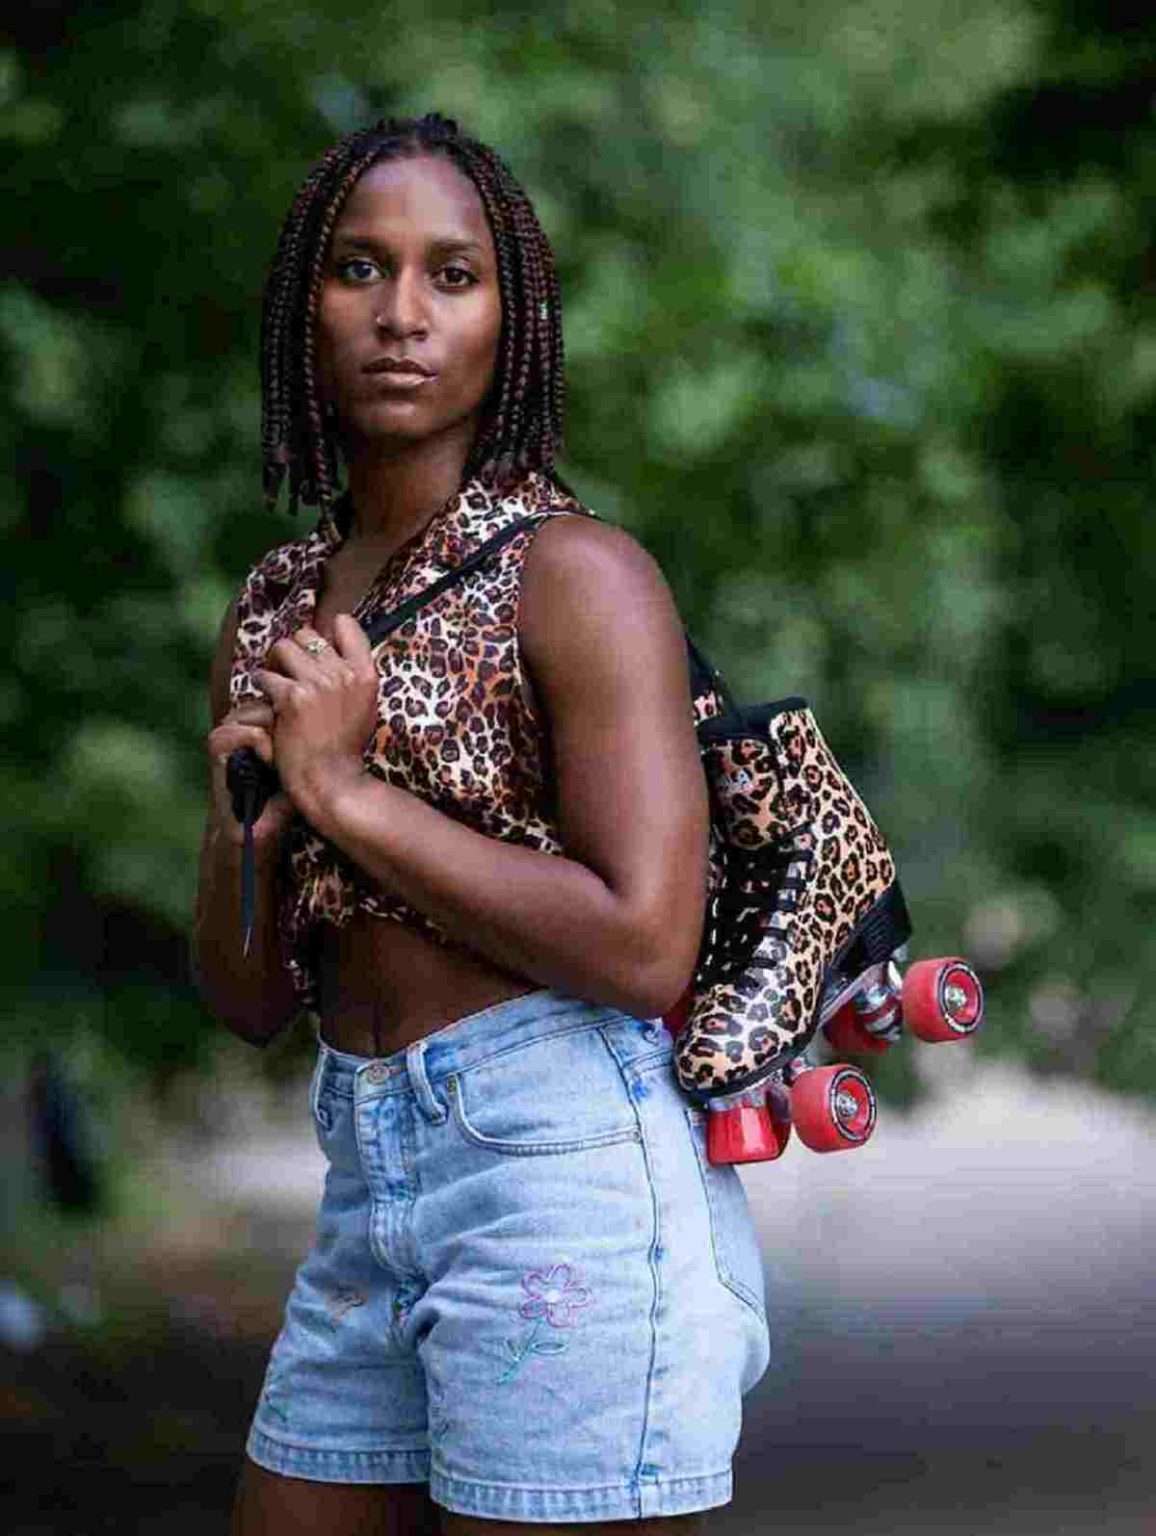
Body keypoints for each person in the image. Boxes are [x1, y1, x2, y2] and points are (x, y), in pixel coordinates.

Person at [193, 111, 770, 1536]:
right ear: (303, 310)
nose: (401, 314)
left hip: (559, 1172)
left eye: (453, 276)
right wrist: (244, 838)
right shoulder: (275, 604)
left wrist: (341, 792)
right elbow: (250, 998)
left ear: (514, 321)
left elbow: (643, 946)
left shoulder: (577, 577)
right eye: (359, 269)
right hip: (365, 1171)